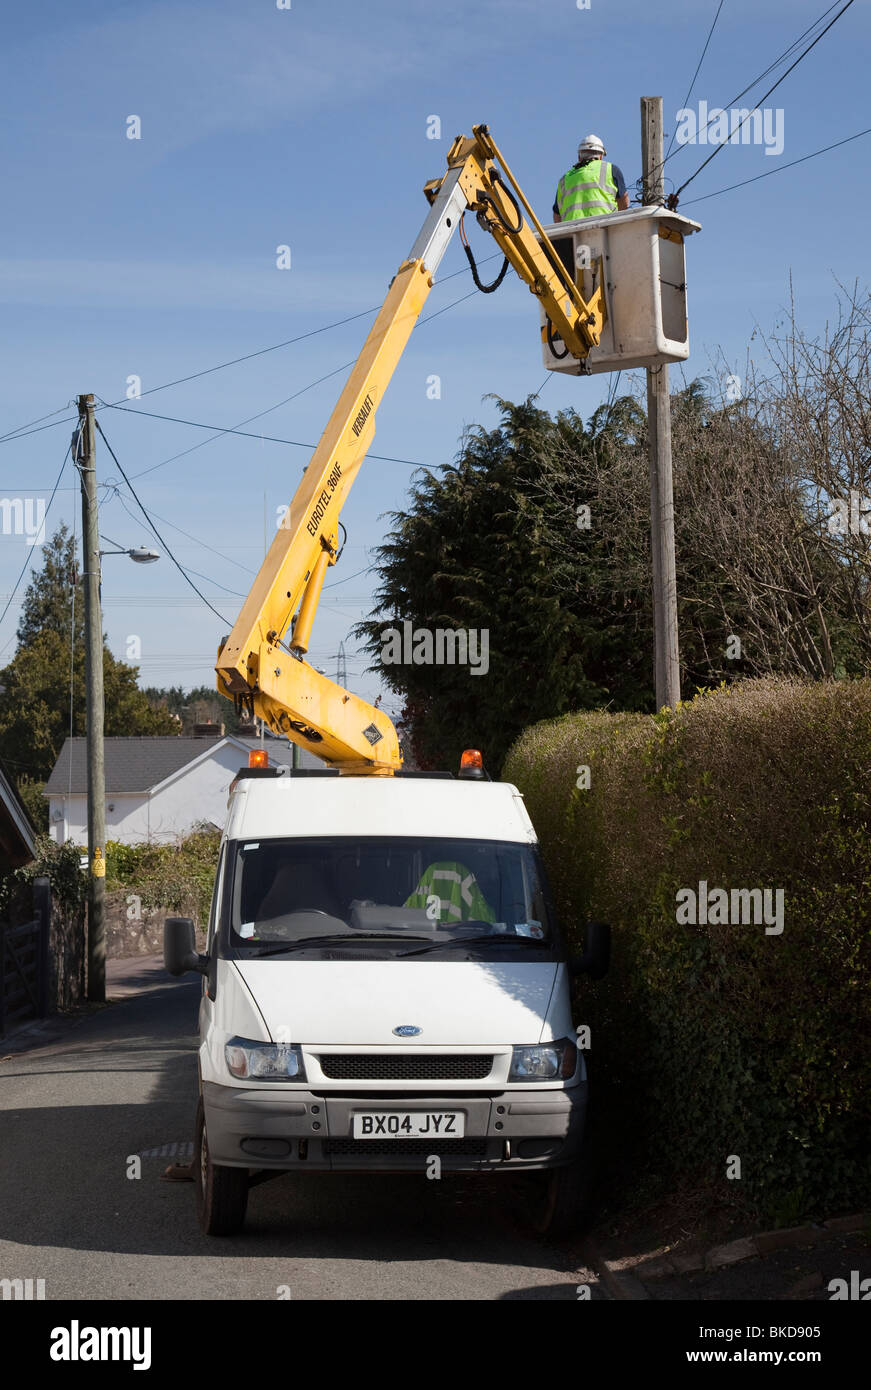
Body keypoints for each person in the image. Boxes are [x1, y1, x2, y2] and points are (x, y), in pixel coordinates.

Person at [553, 134, 630, 222]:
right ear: (601, 156)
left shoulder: (564, 179)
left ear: (579, 157)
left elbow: (557, 215)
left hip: (571, 232)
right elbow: (624, 203)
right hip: (604, 228)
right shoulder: (611, 169)